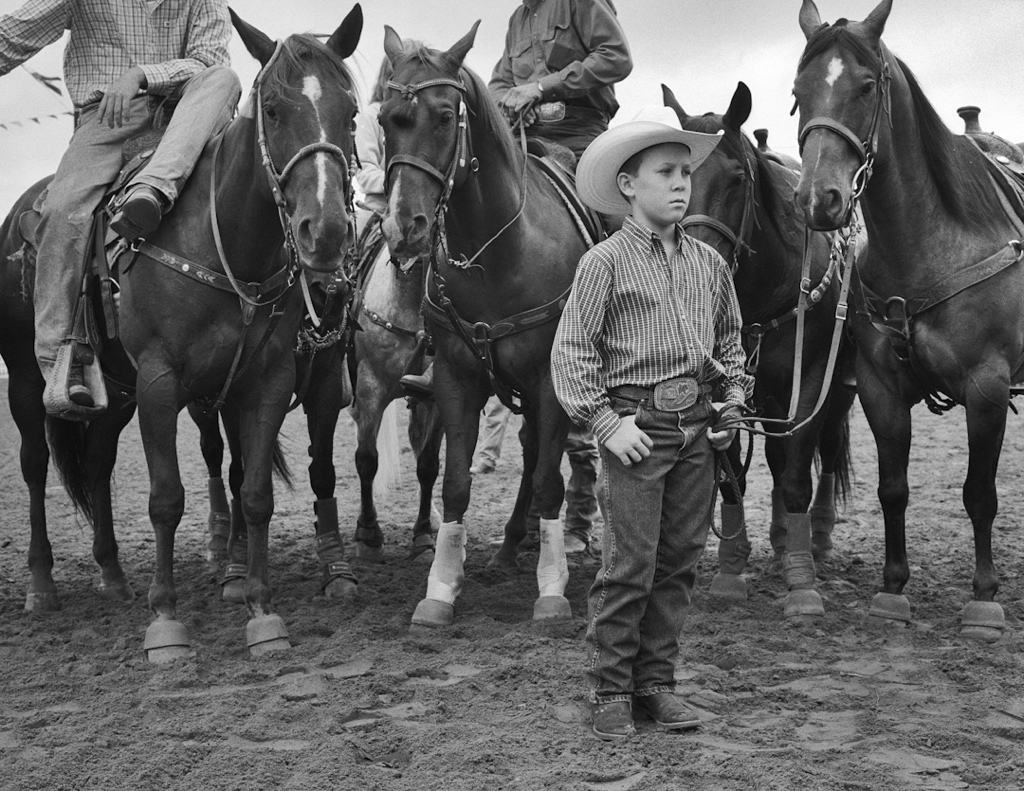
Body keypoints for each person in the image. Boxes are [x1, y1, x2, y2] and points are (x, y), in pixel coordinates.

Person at [552, 106, 752, 741]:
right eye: (665, 172)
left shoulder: (710, 267)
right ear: (628, 186)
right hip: (636, 428)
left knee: (680, 561)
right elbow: (572, 356)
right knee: (629, 564)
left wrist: (729, 408)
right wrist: (607, 425)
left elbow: (730, 350)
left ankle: (657, 686)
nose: (680, 184)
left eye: (686, 173)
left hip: (697, 429)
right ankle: (610, 689)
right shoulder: (602, 264)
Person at [0, 0, 240, 419]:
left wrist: (144, 75)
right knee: (60, 211)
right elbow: (11, 36)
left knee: (225, 78)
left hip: (185, 119)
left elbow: (210, 60)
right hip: (106, 121)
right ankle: (63, 359)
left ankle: (307, 331)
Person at [399, 0, 632, 398]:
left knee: (615, 222)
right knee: (457, 213)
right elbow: (498, 87)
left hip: (578, 136)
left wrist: (541, 87)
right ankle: (440, 349)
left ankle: (625, 349)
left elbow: (616, 58)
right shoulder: (518, 19)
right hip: (521, 139)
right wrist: (508, 98)